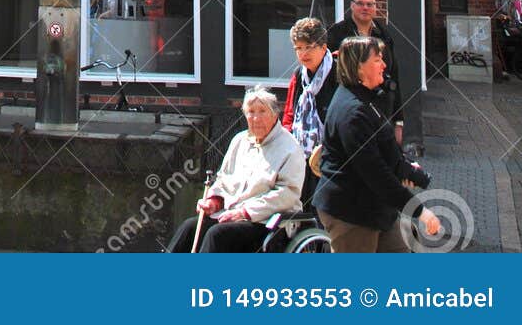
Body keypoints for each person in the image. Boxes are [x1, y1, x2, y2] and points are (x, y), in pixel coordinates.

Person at [313, 36, 439, 252]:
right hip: (351, 212)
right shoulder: (352, 111)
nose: (384, 65)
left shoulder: (368, 99)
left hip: (377, 208)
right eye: (377, 60)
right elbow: (375, 171)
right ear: (359, 67)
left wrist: (410, 171)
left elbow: (386, 150)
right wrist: (419, 211)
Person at [168, 88, 305, 252]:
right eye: (251, 112)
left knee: (216, 234)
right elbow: (223, 178)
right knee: (190, 227)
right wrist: (215, 201)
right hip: (231, 214)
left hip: (266, 222)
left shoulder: (290, 148)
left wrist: (245, 212)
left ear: (275, 115)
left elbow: (287, 194)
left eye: (262, 111)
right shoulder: (240, 140)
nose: (256, 118)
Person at [326, 0, 404, 143]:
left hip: (381, 109)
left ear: (375, 8)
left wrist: (399, 121)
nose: (365, 8)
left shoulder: (384, 35)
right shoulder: (336, 34)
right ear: (352, 6)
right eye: (360, 3)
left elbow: (394, 75)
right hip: (352, 108)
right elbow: (329, 75)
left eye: (370, 4)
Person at [281, 17, 337, 197]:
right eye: (298, 48)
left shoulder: (339, 72)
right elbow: (290, 113)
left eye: (308, 47)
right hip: (300, 156)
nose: (303, 53)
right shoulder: (299, 75)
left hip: (330, 155)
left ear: (323, 46)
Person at [144, 0, 169, 69]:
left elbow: (152, 3)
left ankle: (154, 52)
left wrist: (146, 0)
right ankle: (161, 51)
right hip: (161, 13)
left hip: (154, 14)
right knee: (160, 34)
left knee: (153, 35)